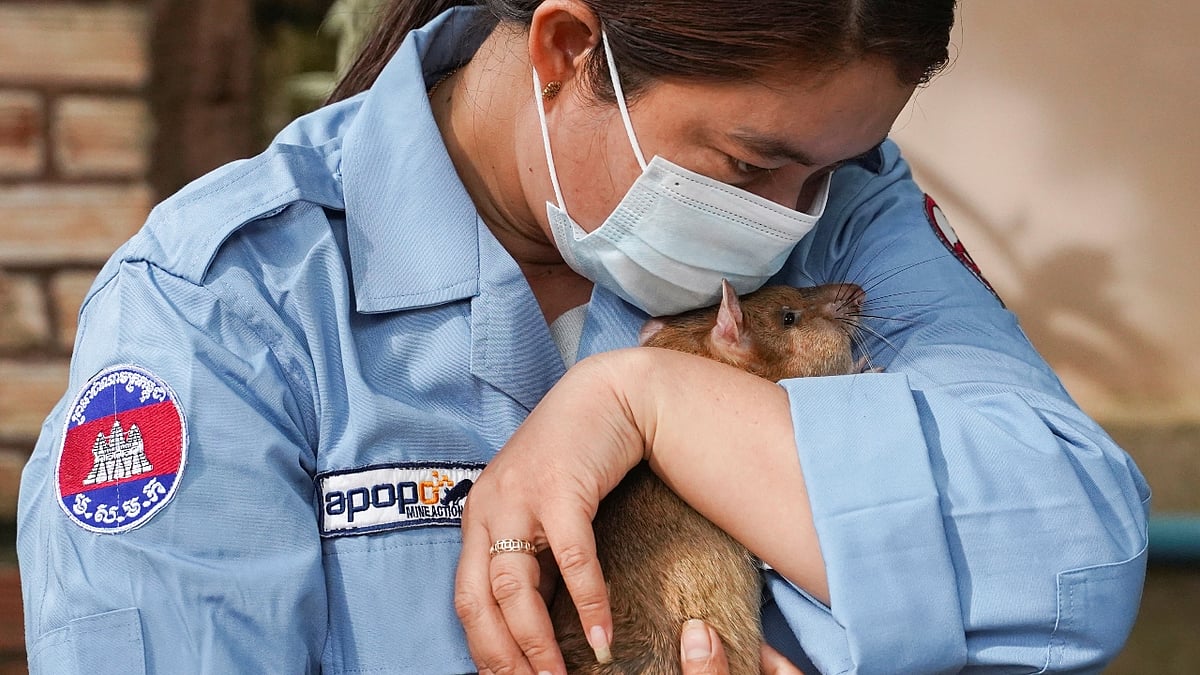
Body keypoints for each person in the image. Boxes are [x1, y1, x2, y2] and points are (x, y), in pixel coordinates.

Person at [16, 0, 1149, 672]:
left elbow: (1073, 553)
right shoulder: (230, 299)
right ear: (566, 49)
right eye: (751, 167)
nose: (798, 220)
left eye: (831, 169)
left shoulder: (855, 218)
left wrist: (643, 401)